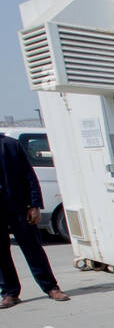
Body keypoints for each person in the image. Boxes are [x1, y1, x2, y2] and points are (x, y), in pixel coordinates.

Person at [1, 132, 70, 308]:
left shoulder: (10, 145)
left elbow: (29, 175)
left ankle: (51, 287)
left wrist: (35, 205)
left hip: (19, 207)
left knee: (33, 249)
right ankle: (10, 293)